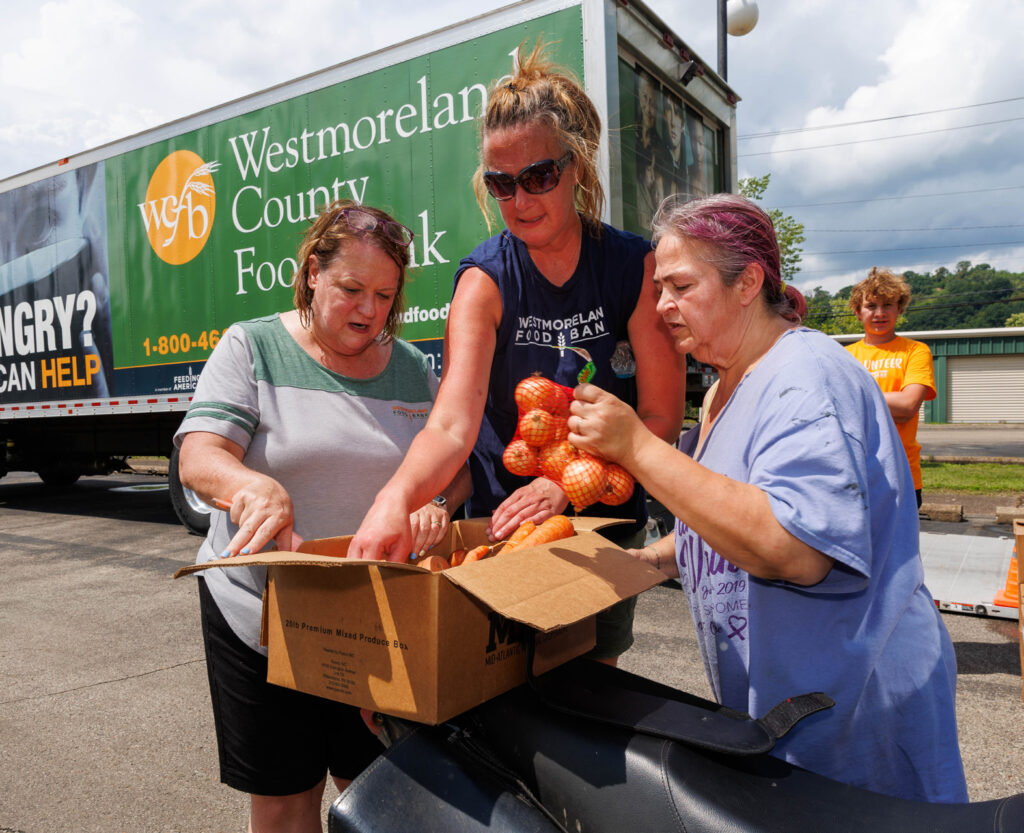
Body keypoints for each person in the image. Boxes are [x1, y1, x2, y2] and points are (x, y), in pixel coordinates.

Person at [567, 193, 968, 803]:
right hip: (794, 709)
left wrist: (638, 448)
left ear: (748, 282)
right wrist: (645, 562)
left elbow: (794, 547)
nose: (663, 305)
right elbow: (726, 514)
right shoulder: (723, 388)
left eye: (681, 286)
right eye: (659, 289)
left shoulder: (804, 376)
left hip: (858, 712)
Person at [348, 42, 685, 665]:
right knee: (499, 683)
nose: (520, 201)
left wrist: (567, 486)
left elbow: (661, 417)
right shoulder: (485, 280)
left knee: (592, 682)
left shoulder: (631, 266)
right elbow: (451, 425)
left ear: (576, 165)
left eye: (538, 177)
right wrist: (393, 501)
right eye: (501, 184)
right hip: (504, 522)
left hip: (603, 521)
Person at [174, 199, 471, 833]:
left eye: (385, 295)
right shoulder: (252, 345)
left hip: (373, 621)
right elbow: (199, 457)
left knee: (377, 795)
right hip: (260, 618)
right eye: (352, 289)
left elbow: (455, 466)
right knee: (286, 801)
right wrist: (252, 487)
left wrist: (438, 505)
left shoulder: (412, 368)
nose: (369, 310)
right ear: (313, 272)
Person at [846, 267, 936, 508]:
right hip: (855, 471)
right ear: (858, 311)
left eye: (888, 305)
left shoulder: (915, 351)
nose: (880, 313)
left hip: (903, 472)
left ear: (899, 309)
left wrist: (854, 398)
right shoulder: (844, 356)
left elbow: (908, 406)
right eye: (871, 306)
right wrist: (889, 402)